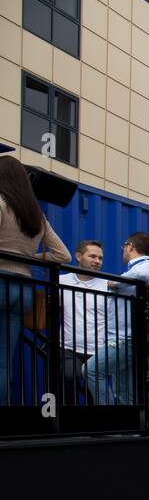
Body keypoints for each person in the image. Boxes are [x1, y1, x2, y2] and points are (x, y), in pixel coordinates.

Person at [0, 155, 70, 405]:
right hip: (24, 289)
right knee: (4, 358)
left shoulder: (1, 203)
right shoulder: (35, 213)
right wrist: (28, 256)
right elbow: (63, 254)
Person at [82, 232, 149, 405]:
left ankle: (111, 420)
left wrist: (115, 283)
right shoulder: (146, 270)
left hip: (128, 339)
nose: (123, 251)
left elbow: (144, 273)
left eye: (124, 247)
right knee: (125, 392)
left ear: (130, 246)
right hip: (132, 339)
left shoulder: (148, 266)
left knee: (91, 370)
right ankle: (128, 429)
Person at [58, 240, 110, 402]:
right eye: (93, 256)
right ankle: (67, 423)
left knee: (94, 396)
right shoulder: (61, 280)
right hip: (68, 347)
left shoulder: (108, 285)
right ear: (78, 256)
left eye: (100, 258)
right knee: (67, 383)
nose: (97, 261)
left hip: (98, 351)